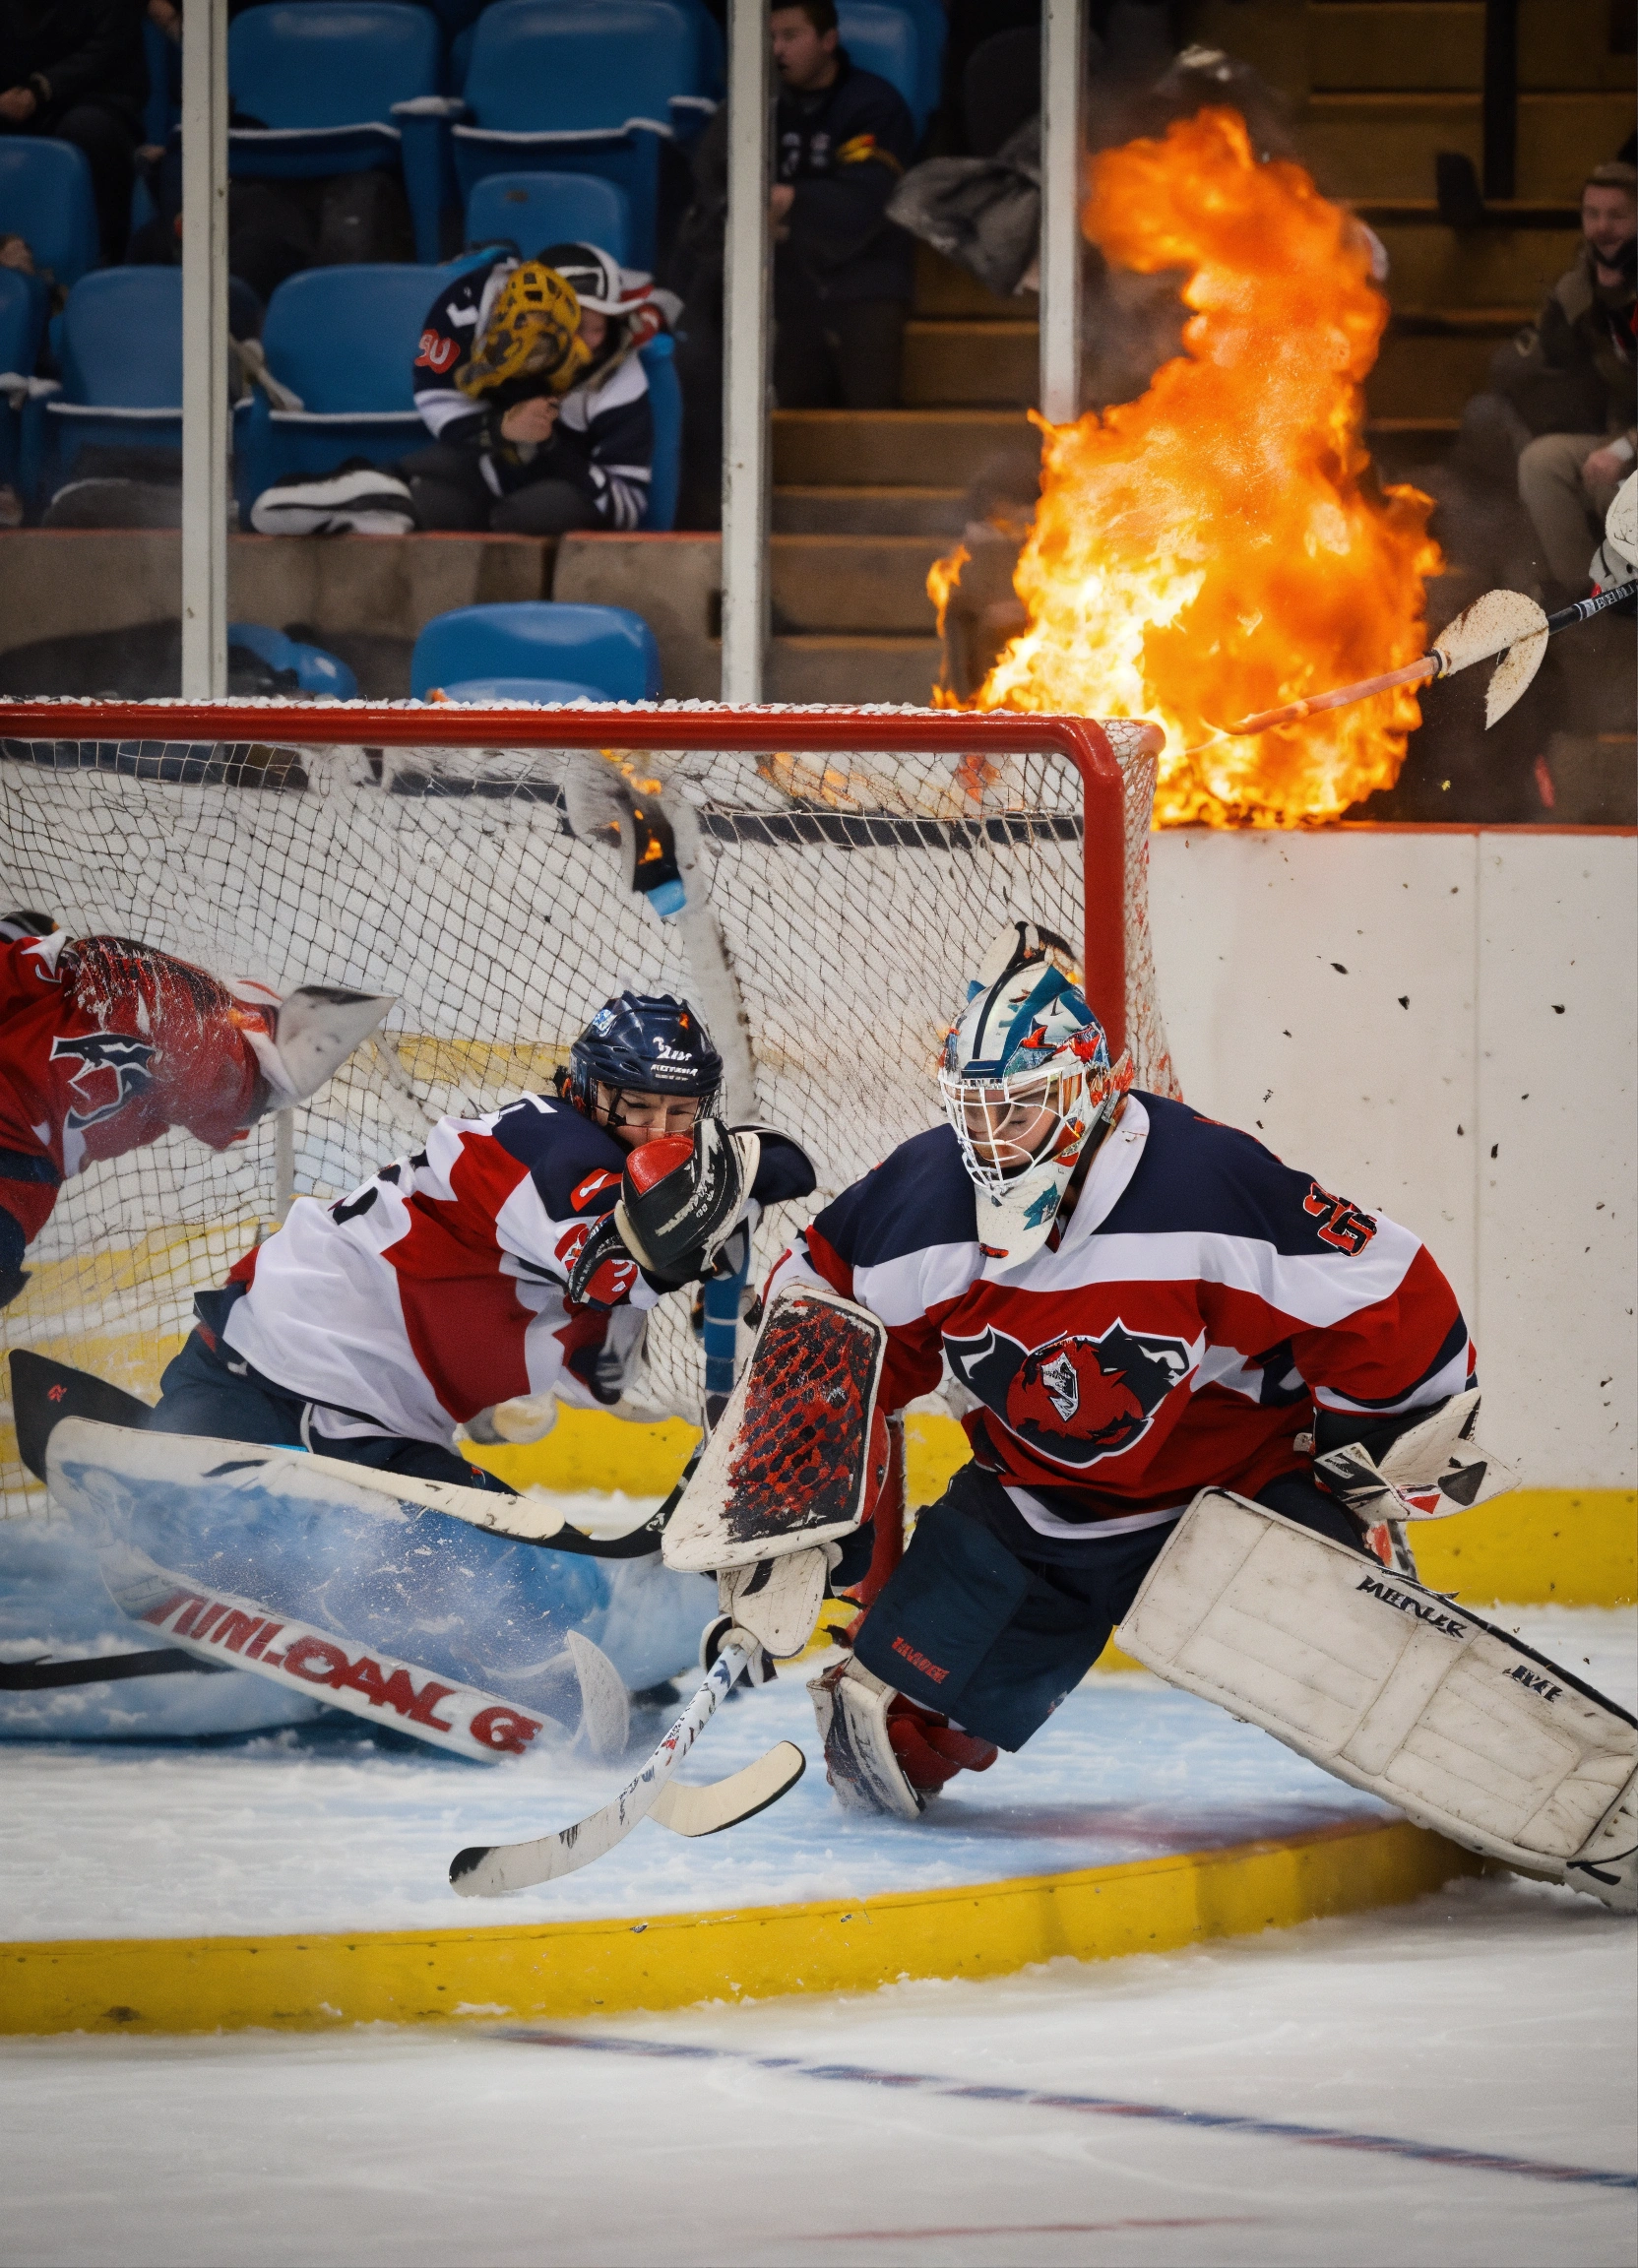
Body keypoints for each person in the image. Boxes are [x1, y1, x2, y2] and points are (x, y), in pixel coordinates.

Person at [768, 926, 1471, 1794]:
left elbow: (1385, 1291)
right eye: (972, 1108)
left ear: (1087, 1092)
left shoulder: (1204, 1184)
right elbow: (817, 1318)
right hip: (1030, 1508)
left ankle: (1399, 1652)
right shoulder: (922, 1201)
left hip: (1226, 1496)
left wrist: (1372, 1456)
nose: (988, 1138)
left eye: (1016, 1108)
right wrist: (796, 1485)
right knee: (881, 1740)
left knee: (1405, 1707)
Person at [147, 991, 816, 1490]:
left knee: (516, 1593)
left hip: (364, 1412)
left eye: (679, 1113)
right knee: (493, 1584)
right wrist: (727, 1206)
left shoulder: (614, 1215)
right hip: (288, 1379)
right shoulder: (544, 1139)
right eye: (635, 1106)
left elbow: (601, 1376)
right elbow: (628, 1257)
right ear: (586, 1091)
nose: (656, 1130)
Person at [0, 912, 389, 1309]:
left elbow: (209, 1081)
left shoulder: (51, 971)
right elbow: (214, 1087)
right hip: (24, 1166)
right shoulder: (79, 972)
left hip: (24, 1166)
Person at [247, 243, 662, 537]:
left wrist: (551, 447)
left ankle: (382, 498)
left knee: (521, 516)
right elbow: (452, 410)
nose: (588, 342)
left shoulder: (620, 382)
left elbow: (627, 503)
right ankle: (369, 500)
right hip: (499, 476)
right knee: (435, 484)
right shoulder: (505, 348)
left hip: (576, 493)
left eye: (598, 327)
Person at [1461, 161, 1637, 599]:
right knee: (1541, 460)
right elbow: (1533, 358)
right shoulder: (1579, 287)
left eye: (1617, 216)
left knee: (1616, 493)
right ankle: (1585, 592)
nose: (1602, 228)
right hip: (1617, 433)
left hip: (1630, 442)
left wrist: (1623, 447)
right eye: (1592, 215)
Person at [769, 0, 917, 410]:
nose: (777, 50)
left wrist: (788, 202)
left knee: (870, 416)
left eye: (790, 36)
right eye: (769, 38)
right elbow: (715, 187)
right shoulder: (757, 106)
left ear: (828, 40)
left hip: (866, 272)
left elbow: (864, 202)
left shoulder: (874, 104)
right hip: (790, 278)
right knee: (795, 408)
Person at [0, 0, 147, 266]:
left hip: (96, 98)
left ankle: (102, 259)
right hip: (16, 100)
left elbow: (108, 49)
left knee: (87, 128)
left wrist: (41, 89)